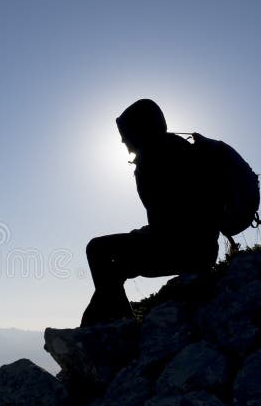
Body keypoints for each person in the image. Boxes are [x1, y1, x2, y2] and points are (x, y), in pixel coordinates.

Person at [80, 99, 219, 327]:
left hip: (183, 250)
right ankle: (117, 324)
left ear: (139, 129)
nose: (122, 140)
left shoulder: (153, 157)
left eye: (125, 133)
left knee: (97, 249)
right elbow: (181, 212)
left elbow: (169, 223)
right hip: (202, 248)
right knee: (114, 270)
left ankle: (120, 326)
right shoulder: (181, 148)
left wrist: (142, 236)